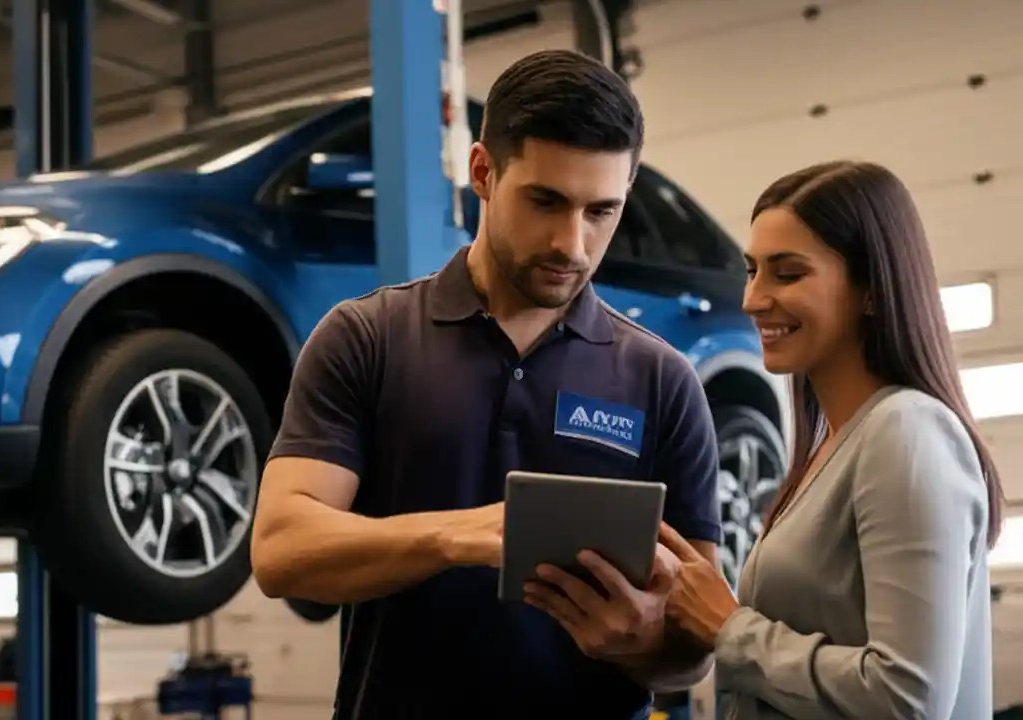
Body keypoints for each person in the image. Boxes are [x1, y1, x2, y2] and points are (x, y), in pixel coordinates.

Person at [250, 49, 721, 719]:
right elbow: (280, 549)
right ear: (483, 172)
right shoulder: (367, 339)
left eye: (600, 211)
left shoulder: (663, 382)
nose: (572, 244)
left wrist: (641, 640)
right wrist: (452, 538)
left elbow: (693, 648)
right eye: (546, 201)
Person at [652, 160, 1004, 719]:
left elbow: (907, 698)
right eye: (752, 271)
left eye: (787, 274)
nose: (753, 299)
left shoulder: (906, 433)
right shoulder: (834, 447)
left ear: (870, 290)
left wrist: (731, 629)